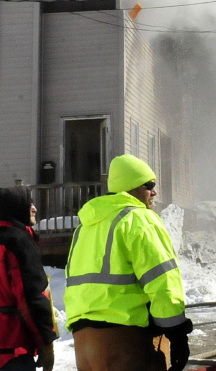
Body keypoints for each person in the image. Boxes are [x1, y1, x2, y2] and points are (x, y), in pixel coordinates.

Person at [63, 154, 192, 371]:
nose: (154, 192)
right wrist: (177, 333)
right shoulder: (139, 219)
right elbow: (162, 280)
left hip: (84, 346)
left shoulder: (85, 227)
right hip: (124, 342)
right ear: (132, 187)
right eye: (149, 185)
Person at [0, 186, 57, 371]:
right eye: (30, 204)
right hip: (9, 352)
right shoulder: (18, 242)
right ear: (17, 208)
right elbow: (32, 298)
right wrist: (47, 343)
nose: (35, 209)